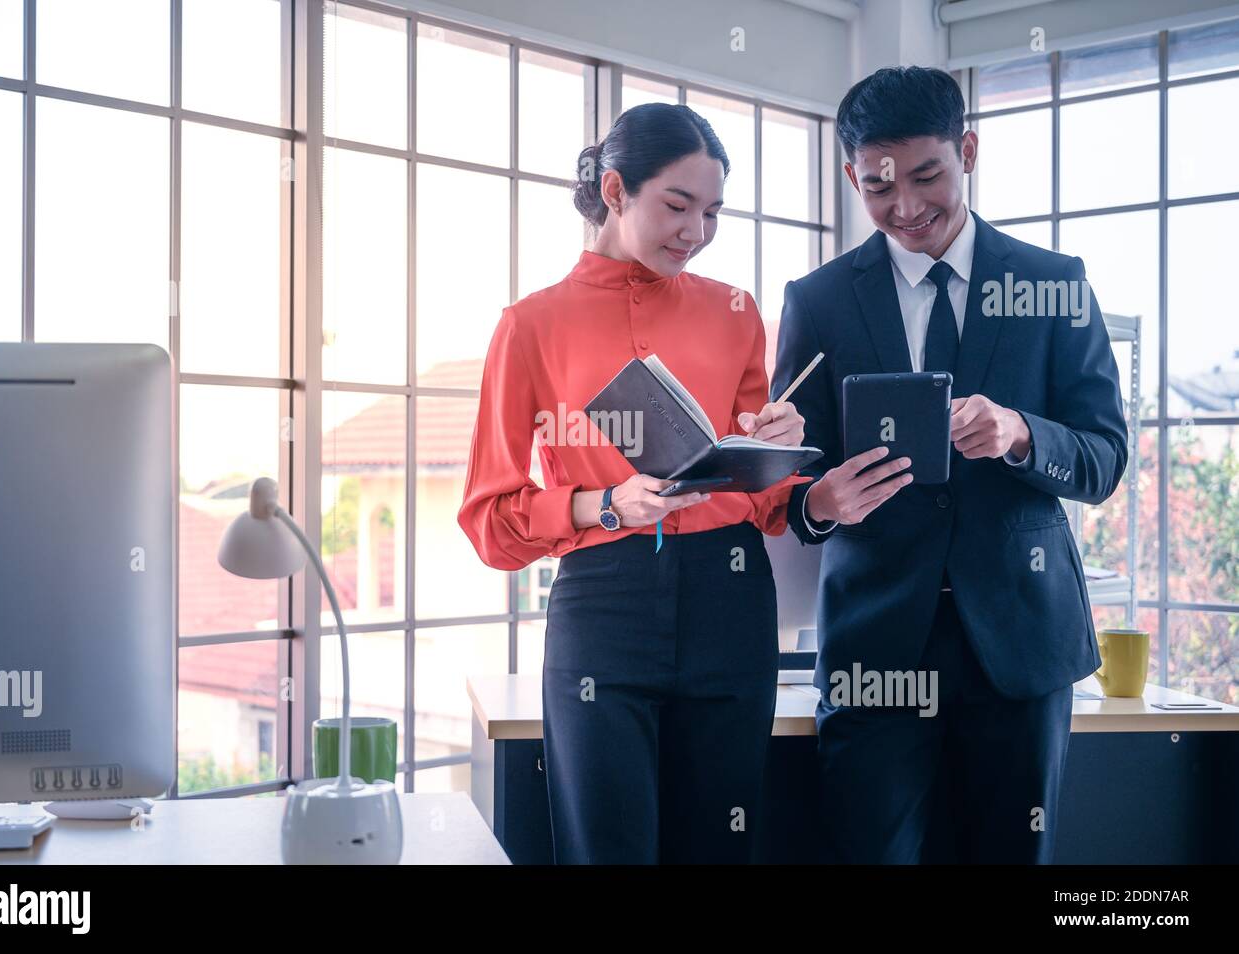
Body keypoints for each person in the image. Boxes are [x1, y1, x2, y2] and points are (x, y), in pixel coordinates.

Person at [772, 66, 1128, 863]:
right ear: (849, 176)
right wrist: (820, 500)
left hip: (1020, 645)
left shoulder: (1053, 284)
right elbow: (791, 483)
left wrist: (1021, 433)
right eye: (877, 187)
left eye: (928, 175)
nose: (905, 209)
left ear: (967, 149)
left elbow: (1104, 460)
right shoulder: (818, 300)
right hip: (874, 646)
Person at [457, 103, 809, 863]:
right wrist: (605, 504)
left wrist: (777, 446)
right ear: (615, 191)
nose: (697, 230)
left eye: (712, 211)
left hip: (731, 594)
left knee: (721, 848)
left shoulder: (735, 312)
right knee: (605, 848)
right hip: (603, 601)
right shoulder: (531, 325)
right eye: (677, 205)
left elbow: (770, 503)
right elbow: (489, 518)